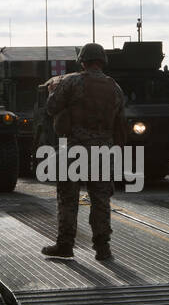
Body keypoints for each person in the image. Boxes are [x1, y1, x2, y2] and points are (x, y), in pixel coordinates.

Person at [40, 42, 127, 261]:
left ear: (83, 61)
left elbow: (51, 108)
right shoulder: (114, 87)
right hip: (104, 151)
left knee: (68, 199)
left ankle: (65, 245)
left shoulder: (71, 82)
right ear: (102, 61)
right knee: (101, 200)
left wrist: (52, 91)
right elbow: (120, 123)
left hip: (74, 149)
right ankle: (103, 248)